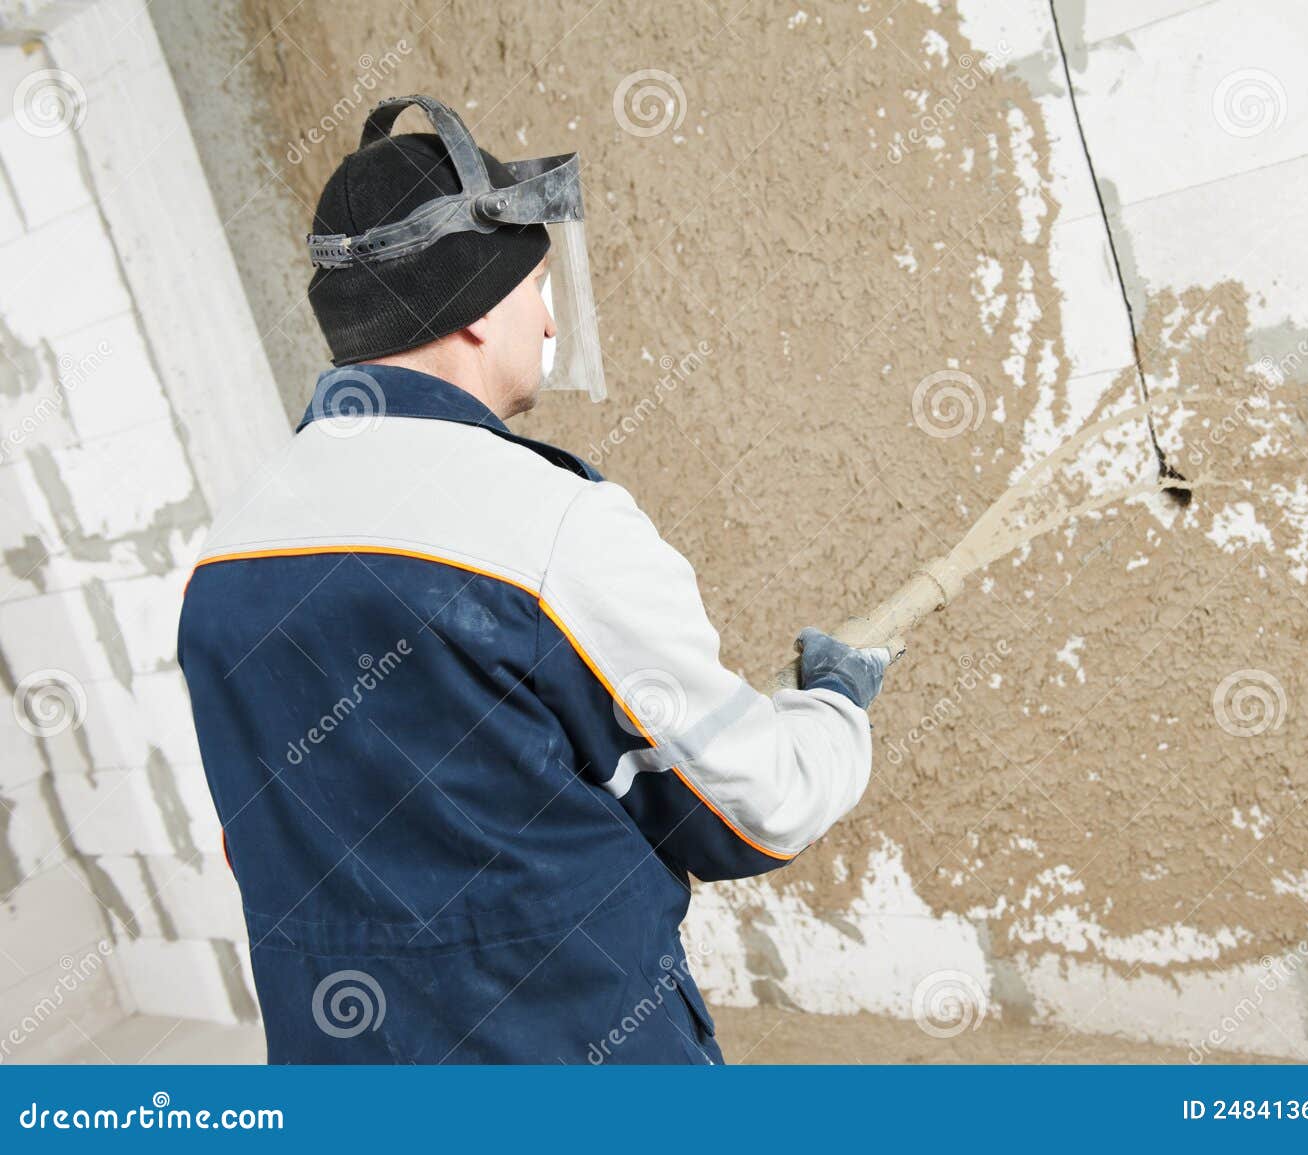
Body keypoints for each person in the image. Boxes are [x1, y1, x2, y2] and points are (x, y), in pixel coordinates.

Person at [177, 97, 896, 1064]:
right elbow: (752, 808)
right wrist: (835, 707)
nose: (548, 319)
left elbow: (261, 843)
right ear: (475, 310)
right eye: (536, 286)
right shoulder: (549, 527)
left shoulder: (232, 548)